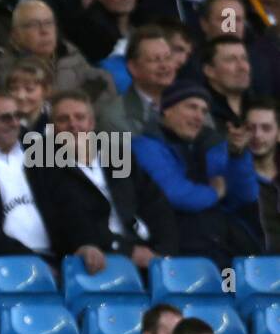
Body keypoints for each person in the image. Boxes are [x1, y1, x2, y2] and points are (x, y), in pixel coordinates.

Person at [0, 91, 97, 269]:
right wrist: (32, 261)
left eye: (18, 116)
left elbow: (70, 203)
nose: (15, 123)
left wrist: (85, 242)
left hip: (56, 259)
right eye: (6, 118)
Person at [132, 80, 260, 268]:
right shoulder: (144, 146)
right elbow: (175, 194)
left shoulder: (208, 146)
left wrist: (237, 155)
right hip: (176, 252)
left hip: (219, 249)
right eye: (192, 107)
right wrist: (214, 192)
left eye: (203, 111)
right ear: (166, 109)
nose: (199, 116)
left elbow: (246, 194)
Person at [49, 91, 178, 269]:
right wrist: (125, 250)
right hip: (98, 257)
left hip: (145, 251)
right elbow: (71, 220)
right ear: (52, 128)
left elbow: (156, 205)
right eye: (63, 119)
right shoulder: (48, 168)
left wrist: (162, 252)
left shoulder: (117, 157)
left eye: (80, 117)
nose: (73, 124)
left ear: (92, 123)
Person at [96, 26, 177, 138]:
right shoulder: (114, 119)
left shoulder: (189, 102)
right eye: (155, 59)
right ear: (133, 67)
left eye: (168, 58)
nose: (164, 66)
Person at [246, 98, 280, 249]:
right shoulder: (234, 179)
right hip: (254, 263)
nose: (257, 135)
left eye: (266, 128)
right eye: (250, 128)